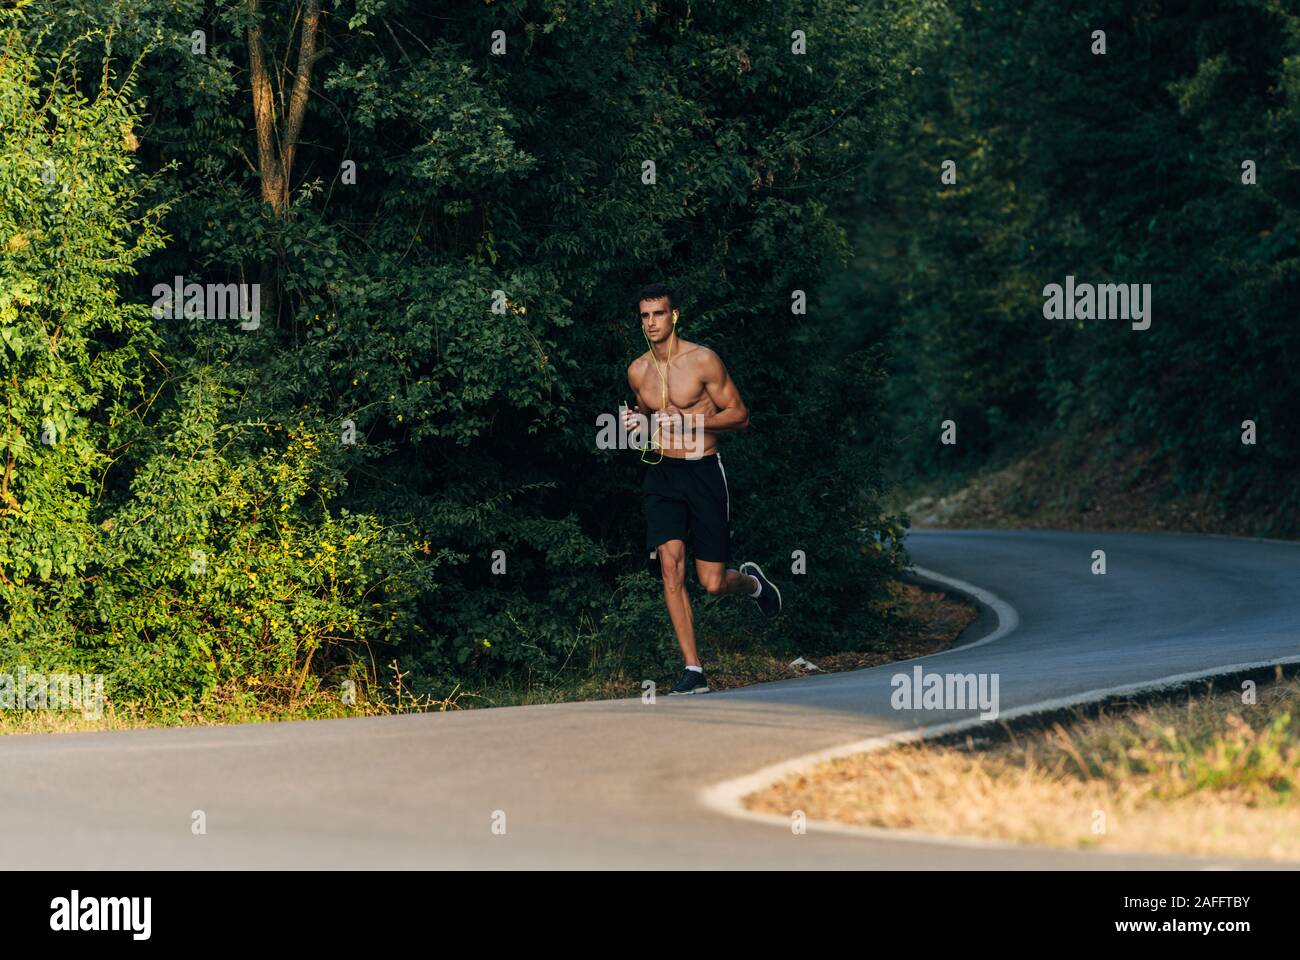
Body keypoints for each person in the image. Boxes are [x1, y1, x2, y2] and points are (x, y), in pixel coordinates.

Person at [622, 282, 781, 696]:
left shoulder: (703, 360)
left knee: (710, 581)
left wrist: (692, 422)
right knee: (670, 567)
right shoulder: (637, 370)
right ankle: (693, 669)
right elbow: (646, 418)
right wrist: (637, 426)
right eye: (645, 315)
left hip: (705, 471)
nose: (652, 322)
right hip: (662, 475)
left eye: (659, 313)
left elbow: (741, 416)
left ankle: (752, 584)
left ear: (673, 316)